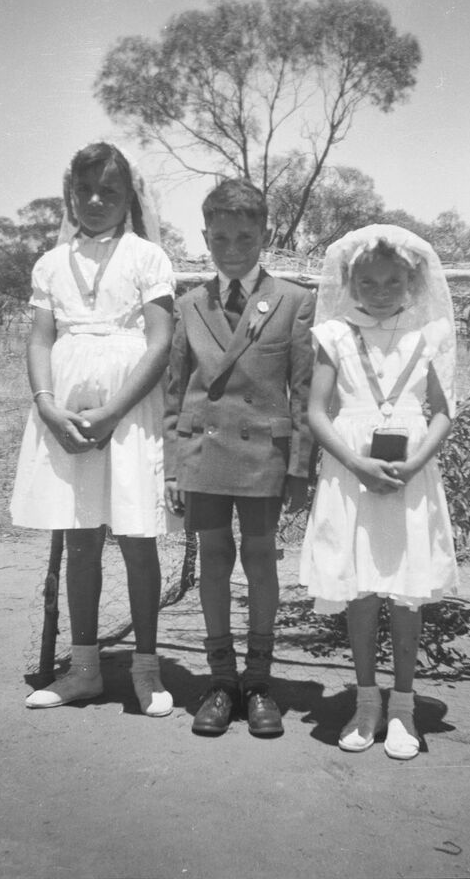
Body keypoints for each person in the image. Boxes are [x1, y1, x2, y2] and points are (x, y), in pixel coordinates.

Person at [11, 142, 177, 717]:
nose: (97, 200)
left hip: (128, 413)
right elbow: (39, 339)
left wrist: (113, 412)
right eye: (85, 191)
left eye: (110, 190)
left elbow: (160, 342)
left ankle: (148, 671)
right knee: (80, 539)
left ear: (129, 195)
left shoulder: (148, 257)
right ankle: (82, 671)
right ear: (70, 196)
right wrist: (47, 405)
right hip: (64, 416)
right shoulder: (51, 263)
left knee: (136, 540)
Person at [299, 224, 459, 759]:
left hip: (410, 475)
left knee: (405, 589)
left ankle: (404, 709)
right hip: (352, 474)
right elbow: (317, 412)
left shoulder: (428, 334)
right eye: (369, 280)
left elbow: (441, 412)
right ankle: (367, 701)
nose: (381, 289)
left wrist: (414, 462)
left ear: (411, 282)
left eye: (393, 280)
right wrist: (354, 462)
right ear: (350, 282)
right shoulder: (335, 336)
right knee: (361, 587)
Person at [164, 178, 314, 737]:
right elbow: (175, 393)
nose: (232, 248)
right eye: (220, 237)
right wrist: (174, 465)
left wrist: (300, 466)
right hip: (204, 453)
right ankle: (221, 681)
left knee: (260, 562)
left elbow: (302, 393)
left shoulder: (294, 301)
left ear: (265, 235)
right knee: (213, 560)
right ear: (205, 236)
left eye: (244, 237)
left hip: (264, 459)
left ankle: (258, 682)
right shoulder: (188, 305)